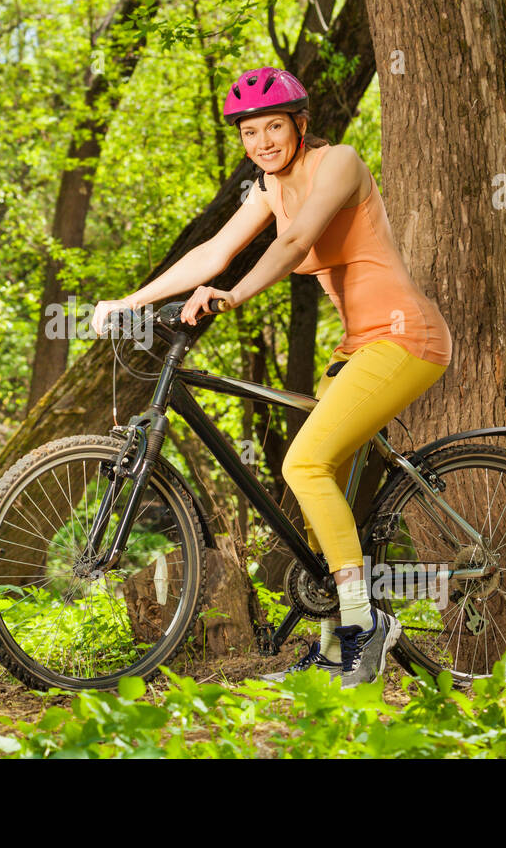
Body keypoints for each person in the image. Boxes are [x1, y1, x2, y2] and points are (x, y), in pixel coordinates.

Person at [91, 66, 452, 688]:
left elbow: (294, 244)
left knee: (302, 465)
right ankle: (340, 642)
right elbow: (213, 253)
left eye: (274, 127)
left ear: (300, 126)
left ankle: (367, 626)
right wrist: (127, 302)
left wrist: (231, 297)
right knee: (318, 494)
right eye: (250, 132)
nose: (262, 142)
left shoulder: (339, 162)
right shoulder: (265, 187)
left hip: (405, 336)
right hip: (356, 347)